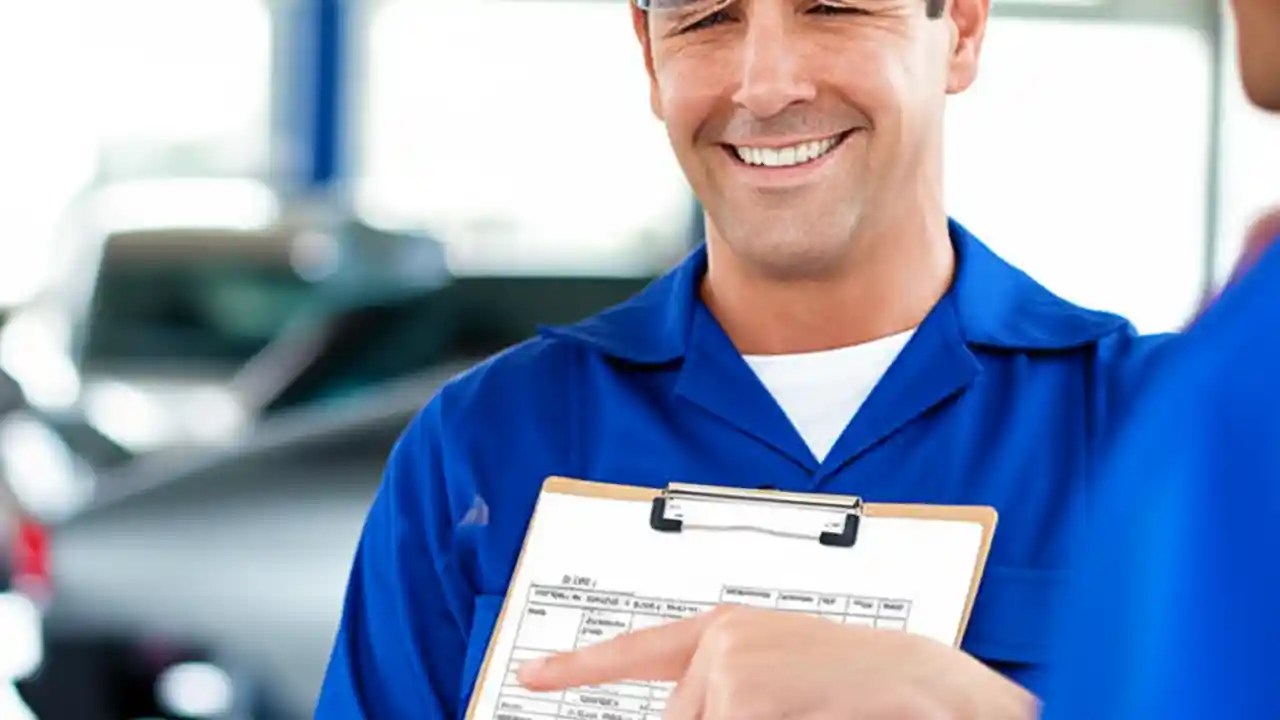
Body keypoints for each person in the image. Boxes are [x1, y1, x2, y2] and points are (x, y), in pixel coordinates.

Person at [315, 0, 1169, 716]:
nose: (765, 86)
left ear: (964, 29)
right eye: (708, 16)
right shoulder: (477, 451)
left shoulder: (1163, 435)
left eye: (833, 6)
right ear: (649, 55)